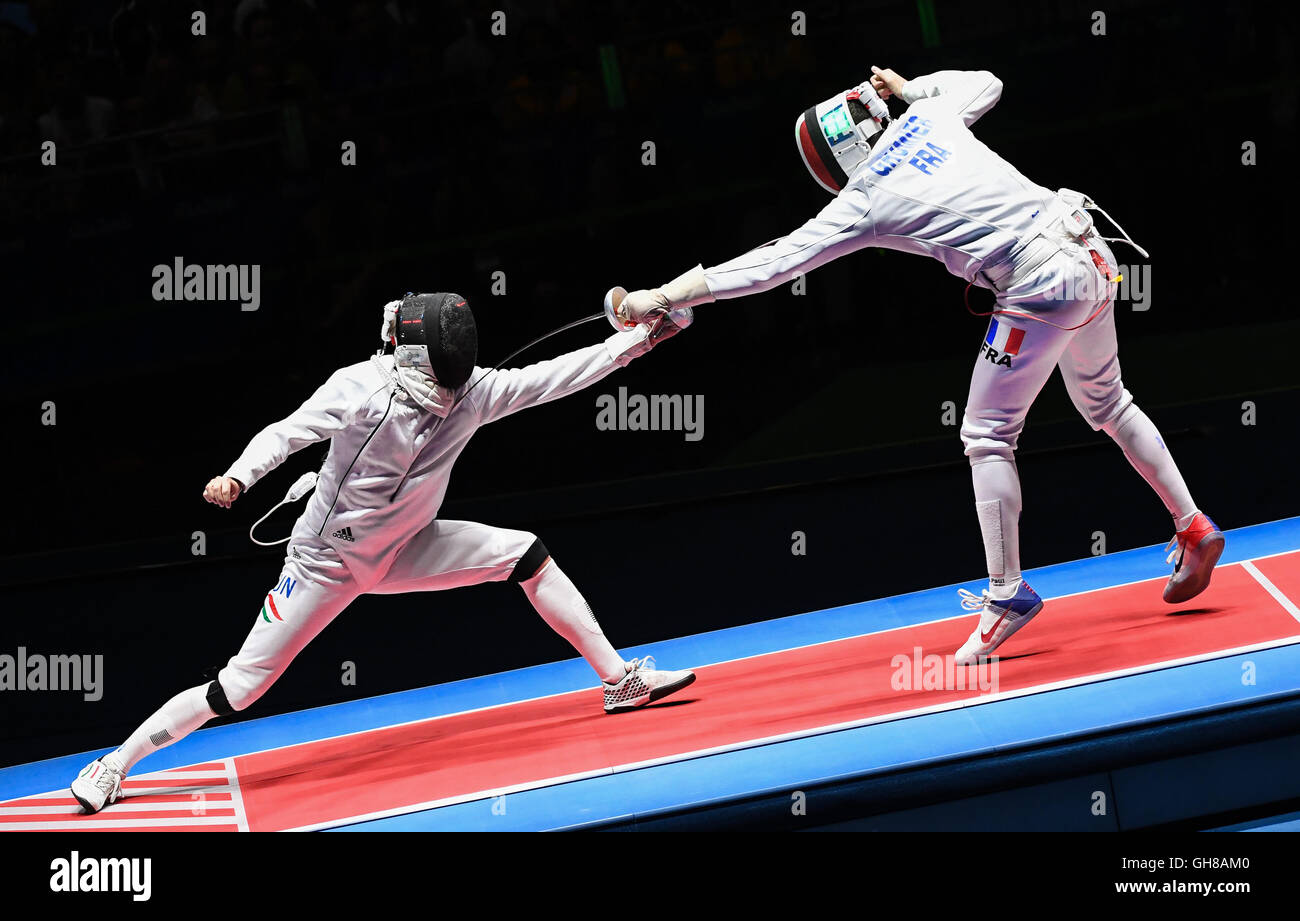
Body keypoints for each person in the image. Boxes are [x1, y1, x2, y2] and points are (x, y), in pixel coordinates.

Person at [612, 66, 1223, 666]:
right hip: (1088, 246)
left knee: (985, 435)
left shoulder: (864, 197)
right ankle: (1192, 526)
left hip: (1040, 284)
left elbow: (774, 264)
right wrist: (910, 89)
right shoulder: (929, 115)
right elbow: (989, 81)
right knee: (1108, 402)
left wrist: (665, 294)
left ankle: (1008, 594)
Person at [71, 292, 696, 814]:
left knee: (526, 555)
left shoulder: (473, 392)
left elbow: (555, 378)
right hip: (325, 564)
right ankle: (114, 764)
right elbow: (288, 433)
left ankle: (620, 681)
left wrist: (634, 342)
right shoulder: (362, 388)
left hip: (407, 547)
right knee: (238, 689)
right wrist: (239, 476)